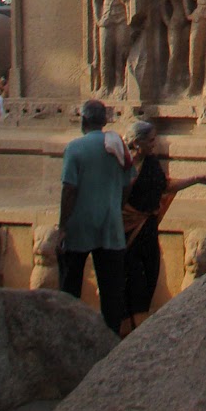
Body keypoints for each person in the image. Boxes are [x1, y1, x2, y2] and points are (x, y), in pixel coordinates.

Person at [122, 121, 206, 327]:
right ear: (137, 143)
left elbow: (164, 186)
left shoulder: (151, 163)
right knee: (133, 283)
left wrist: (195, 179)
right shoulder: (124, 165)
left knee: (150, 275)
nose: (154, 144)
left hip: (147, 229)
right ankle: (130, 330)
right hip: (127, 232)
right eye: (150, 141)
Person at [55, 99, 134, 334]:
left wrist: (62, 226)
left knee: (70, 286)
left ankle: (68, 332)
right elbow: (130, 180)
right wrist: (117, 202)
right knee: (111, 290)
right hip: (110, 224)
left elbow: (69, 189)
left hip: (79, 223)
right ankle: (110, 336)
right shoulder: (117, 145)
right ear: (105, 121)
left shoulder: (75, 148)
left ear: (83, 121)